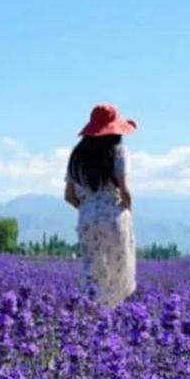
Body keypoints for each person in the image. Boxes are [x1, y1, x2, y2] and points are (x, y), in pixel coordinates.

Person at [63, 103, 137, 306]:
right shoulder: (118, 151)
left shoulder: (77, 155)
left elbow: (68, 196)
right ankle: (112, 314)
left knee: (92, 269)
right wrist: (127, 209)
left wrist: (88, 208)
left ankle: (90, 312)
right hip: (114, 217)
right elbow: (124, 190)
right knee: (118, 270)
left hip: (87, 219)